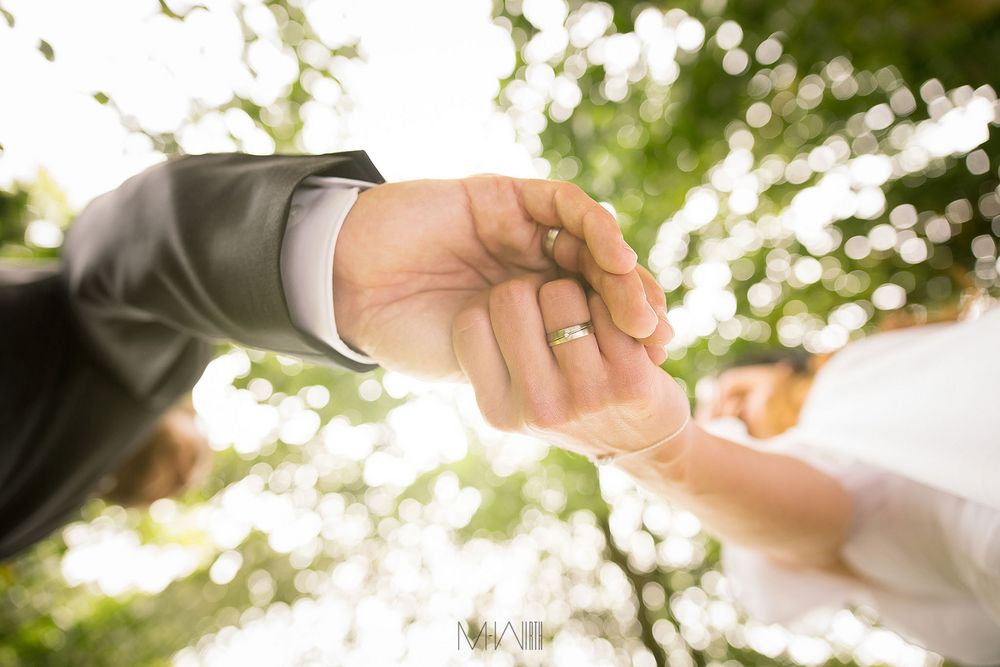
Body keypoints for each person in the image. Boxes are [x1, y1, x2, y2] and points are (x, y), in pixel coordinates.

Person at [0, 150, 672, 560]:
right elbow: (114, 254)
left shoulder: (35, 504)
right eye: (201, 446)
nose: (185, 477)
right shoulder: (139, 365)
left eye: (178, 486)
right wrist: (336, 261)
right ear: (181, 400)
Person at [452, 275, 1000, 665]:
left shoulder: (855, 387)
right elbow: (824, 513)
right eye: (713, 416)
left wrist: (669, 449)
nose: (726, 416)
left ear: (789, 369)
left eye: (734, 393)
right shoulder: (806, 481)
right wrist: (657, 448)